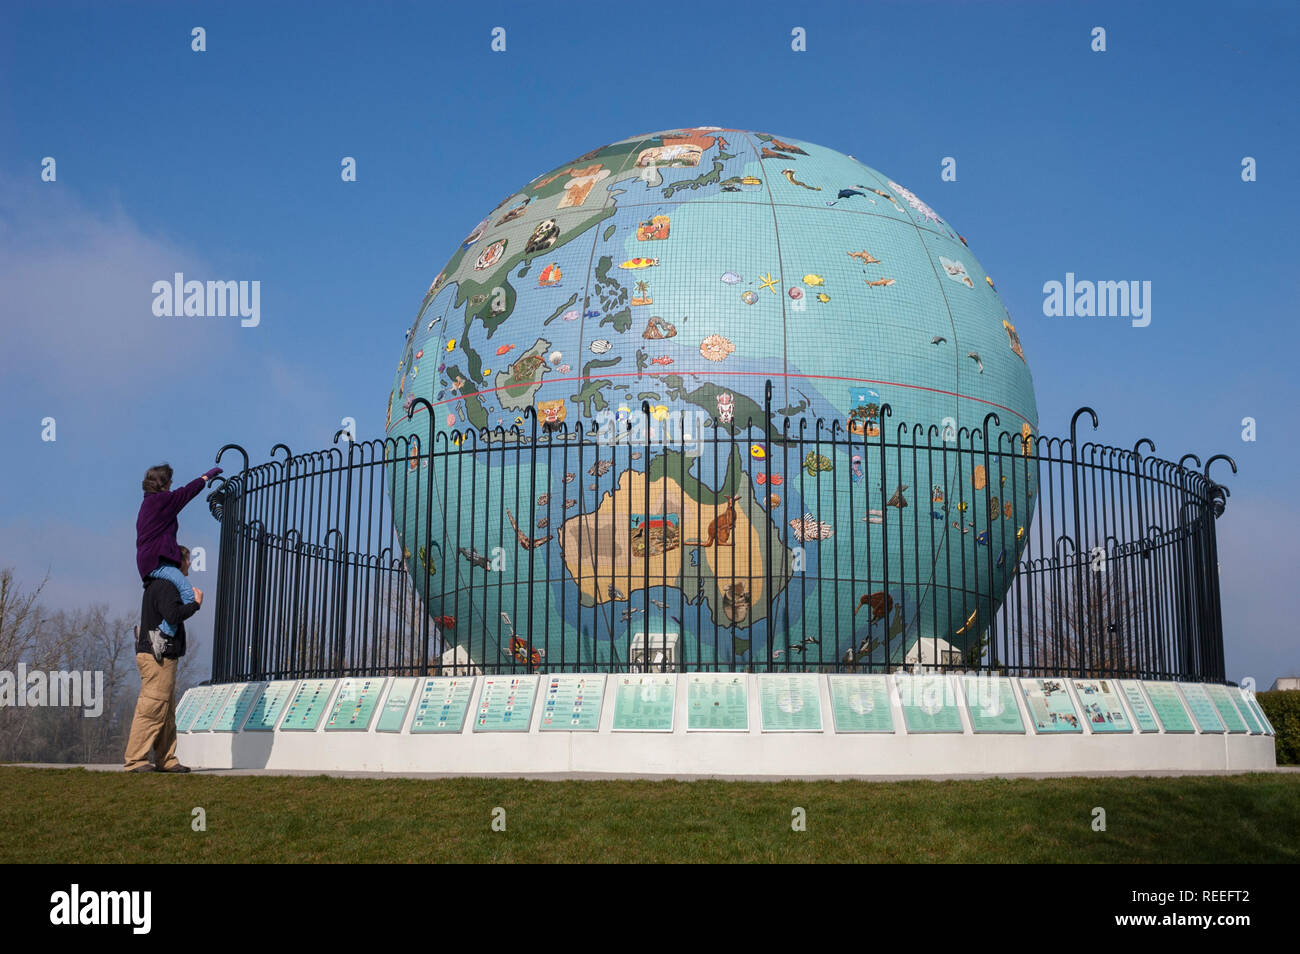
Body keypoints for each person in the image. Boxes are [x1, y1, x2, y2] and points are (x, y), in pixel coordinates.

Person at [124, 546, 202, 773]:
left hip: (162, 656)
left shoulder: (158, 583)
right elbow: (173, 615)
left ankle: (166, 759)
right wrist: (195, 605)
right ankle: (135, 760)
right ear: (179, 561)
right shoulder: (167, 586)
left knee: (165, 710)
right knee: (152, 706)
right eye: (188, 560)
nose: (189, 564)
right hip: (157, 658)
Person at [136, 463, 220, 659]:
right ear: (163, 484)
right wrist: (205, 478)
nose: (173, 484)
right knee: (189, 596)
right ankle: (161, 635)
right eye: (170, 481)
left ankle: (146, 633)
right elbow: (186, 493)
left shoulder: (147, 503)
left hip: (147, 562)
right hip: (158, 561)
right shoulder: (162, 501)